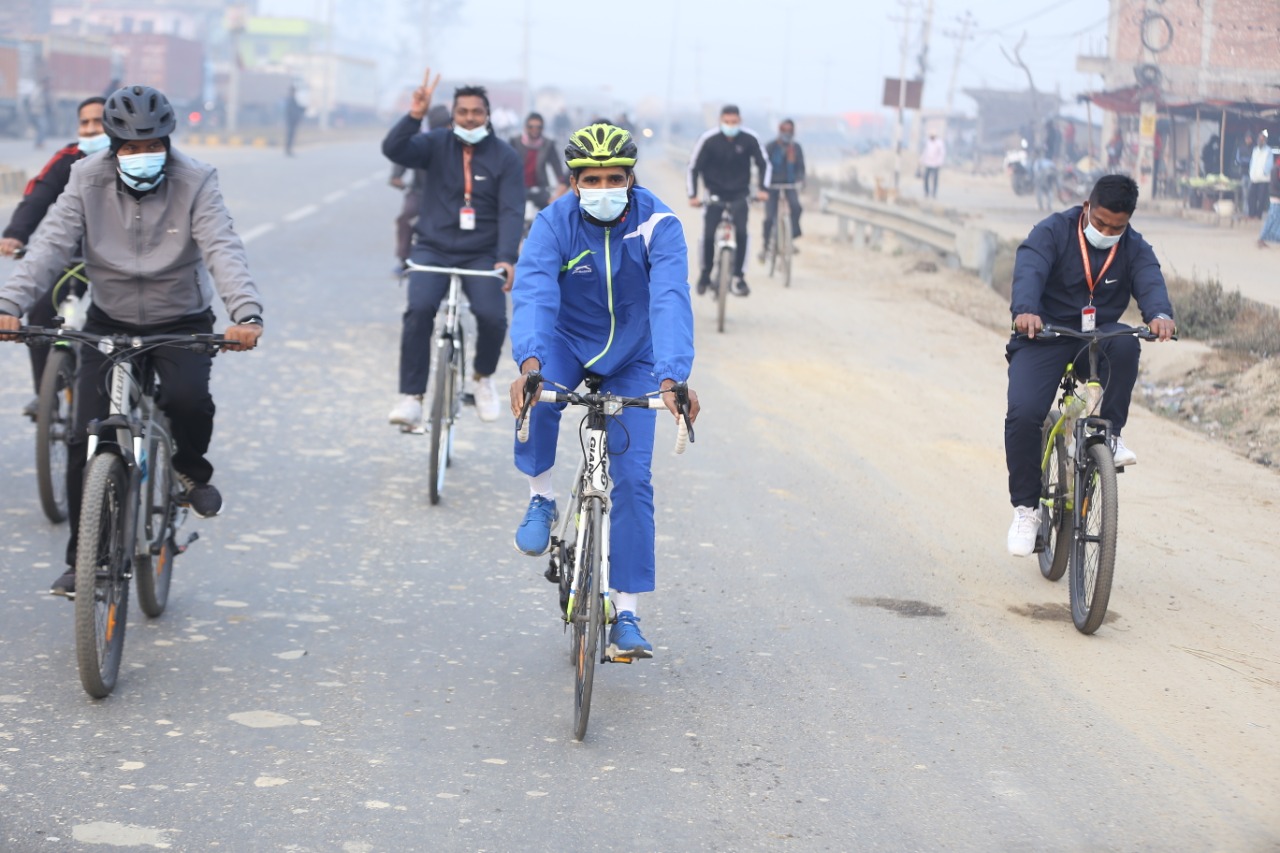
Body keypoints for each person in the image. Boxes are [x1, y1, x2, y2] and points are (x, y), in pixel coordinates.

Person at [0, 84, 264, 596]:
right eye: (131, 147)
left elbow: (222, 247)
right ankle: (85, 559)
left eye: (154, 145)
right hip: (109, 320)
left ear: (168, 140)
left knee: (188, 399)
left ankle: (189, 471)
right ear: (113, 142)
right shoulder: (84, 178)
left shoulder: (196, 180)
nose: (143, 155)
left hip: (180, 319)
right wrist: (8, 303)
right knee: (84, 437)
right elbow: (50, 245)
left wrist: (246, 313)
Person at [507, 123, 699, 659]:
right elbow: (536, 295)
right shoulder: (554, 224)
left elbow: (669, 299)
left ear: (631, 178)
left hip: (636, 358)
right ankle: (541, 498)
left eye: (615, 178)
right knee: (541, 395)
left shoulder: (658, 224)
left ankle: (629, 613)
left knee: (634, 480)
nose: (604, 187)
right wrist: (530, 363)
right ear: (574, 182)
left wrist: (673, 377)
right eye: (592, 179)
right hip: (566, 344)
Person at [1004, 174, 1176, 556]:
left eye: (1116, 226)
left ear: (1128, 222)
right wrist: (1026, 310)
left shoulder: (1133, 246)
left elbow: (1149, 279)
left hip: (1095, 340)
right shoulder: (1053, 231)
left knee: (1127, 344)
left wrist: (1160, 314)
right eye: (1099, 223)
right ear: (1086, 208)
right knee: (1024, 414)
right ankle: (1027, 510)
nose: (1107, 231)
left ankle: (1110, 435)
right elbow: (1030, 268)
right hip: (1044, 334)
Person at [381, 69, 523, 427]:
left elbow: (511, 211)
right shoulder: (435, 144)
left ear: (487, 115)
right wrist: (415, 116)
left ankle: (482, 378)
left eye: (477, 112)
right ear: (454, 114)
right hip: (433, 247)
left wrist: (507, 257)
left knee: (492, 318)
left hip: (483, 253)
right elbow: (393, 149)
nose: (470, 118)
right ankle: (412, 397)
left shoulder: (505, 157)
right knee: (418, 310)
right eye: (463, 112)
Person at [1, 96, 106, 417]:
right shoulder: (67, 158)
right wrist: (16, 233)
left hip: (116, 262)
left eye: (98, 121)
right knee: (41, 311)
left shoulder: (128, 157)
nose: (90, 129)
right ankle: (45, 395)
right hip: (71, 257)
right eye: (84, 122)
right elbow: (38, 194)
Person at [687, 105, 770, 296]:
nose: (731, 125)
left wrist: (763, 190)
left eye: (734, 122)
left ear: (740, 121)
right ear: (720, 121)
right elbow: (693, 168)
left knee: (742, 234)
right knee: (707, 236)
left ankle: (739, 277)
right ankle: (705, 274)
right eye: (727, 122)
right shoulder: (709, 140)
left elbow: (764, 164)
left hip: (741, 195)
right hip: (714, 195)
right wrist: (693, 196)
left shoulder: (749, 139)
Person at [389, 104, 450, 270]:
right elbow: (401, 158)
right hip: (419, 192)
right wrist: (396, 176)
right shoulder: (422, 142)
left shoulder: (458, 143)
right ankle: (403, 259)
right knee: (406, 218)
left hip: (448, 195)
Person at [507, 111, 567, 212]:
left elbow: (556, 167)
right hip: (518, 186)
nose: (535, 130)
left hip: (541, 187)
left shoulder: (548, 144)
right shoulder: (515, 142)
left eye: (538, 127)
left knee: (549, 212)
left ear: (542, 129)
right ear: (525, 127)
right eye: (531, 127)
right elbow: (506, 165)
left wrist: (561, 186)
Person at [762, 118, 805, 256]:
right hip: (772, 185)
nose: (787, 133)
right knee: (770, 217)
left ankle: (789, 237)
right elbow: (763, 166)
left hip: (789, 184)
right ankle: (766, 245)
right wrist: (763, 185)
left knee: (796, 207)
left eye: (790, 131)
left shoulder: (796, 148)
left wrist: (800, 180)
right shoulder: (771, 146)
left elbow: (801, 168)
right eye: (784, 130)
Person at [1248, 131, 1274, 222]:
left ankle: (1258, 215)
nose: (1260, 140)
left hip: (1263, 178)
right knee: (1251, 196)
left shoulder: (1268, 151)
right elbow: (1252, 162)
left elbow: (1269, 164)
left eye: (1262, 139)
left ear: (1265, 141)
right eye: (1259, 139)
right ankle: (1252, 214)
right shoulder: (1255, 150)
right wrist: (1251, 172)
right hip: (1254, 177)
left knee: (1261, 198)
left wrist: (1264, 172)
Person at [1258, 156, 1280, 249]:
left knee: (1275, 218)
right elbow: (1276, 184)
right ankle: (1262, 238)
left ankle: (1264, 238)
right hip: (1276, 196)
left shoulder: (1276, 168)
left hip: (1276, 196)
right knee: (1273, 218)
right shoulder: (1276, 169)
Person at [920, 130, 945, 198]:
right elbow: (925, 151)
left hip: (935, 164)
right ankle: (926, 192)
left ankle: (934, 193)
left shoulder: (939, 143)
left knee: (935, 180)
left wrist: (940, 162)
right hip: (928, 163)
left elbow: (942, 153)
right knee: (926, 178)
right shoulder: (928, 142)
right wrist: (921, 160)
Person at [283, 84, 304, 157]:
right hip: (291, 121)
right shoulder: (290, 99)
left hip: (292, 121)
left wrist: (303, 109)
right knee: (290, 135)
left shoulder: (293, 99)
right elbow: (291, 111)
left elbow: (297, 109)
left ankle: (289, 149)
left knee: (291, 136)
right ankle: (288, 149)